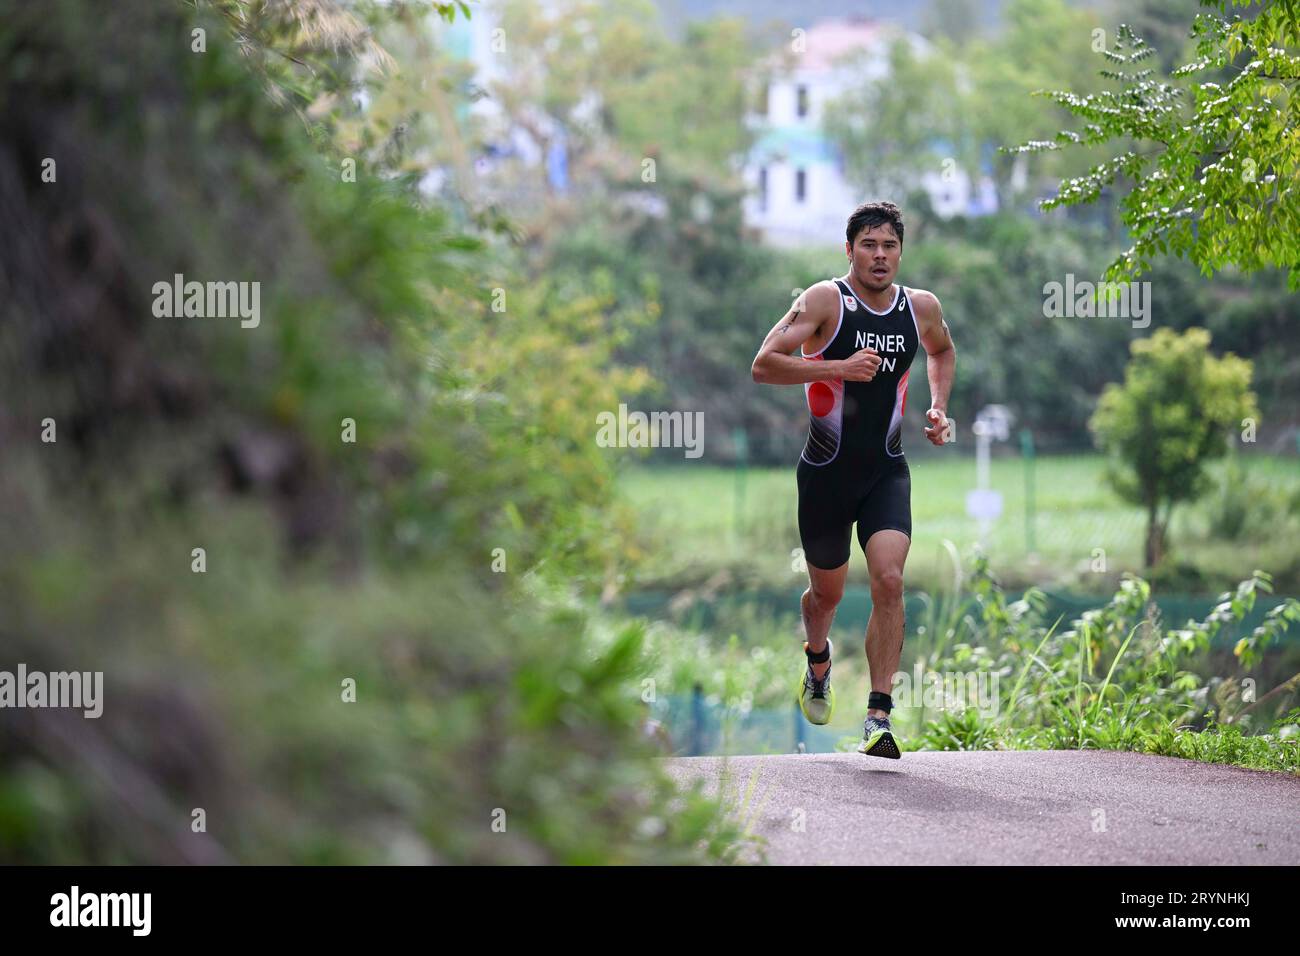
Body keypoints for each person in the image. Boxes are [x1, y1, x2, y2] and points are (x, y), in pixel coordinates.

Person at [750, 201, 956, 758]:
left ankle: (878, 717)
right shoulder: (823, 301)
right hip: (825, 473)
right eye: (868, 244)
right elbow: (764, 363)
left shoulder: (921, 308)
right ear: (849, 250)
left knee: (889, 580)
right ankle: (818, 662)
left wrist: (938, 408)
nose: (880, 255)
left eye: (889, 245)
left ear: (901, 251)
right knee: (827, 594)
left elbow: (942, 350)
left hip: (887, 469)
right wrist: (835, 367)